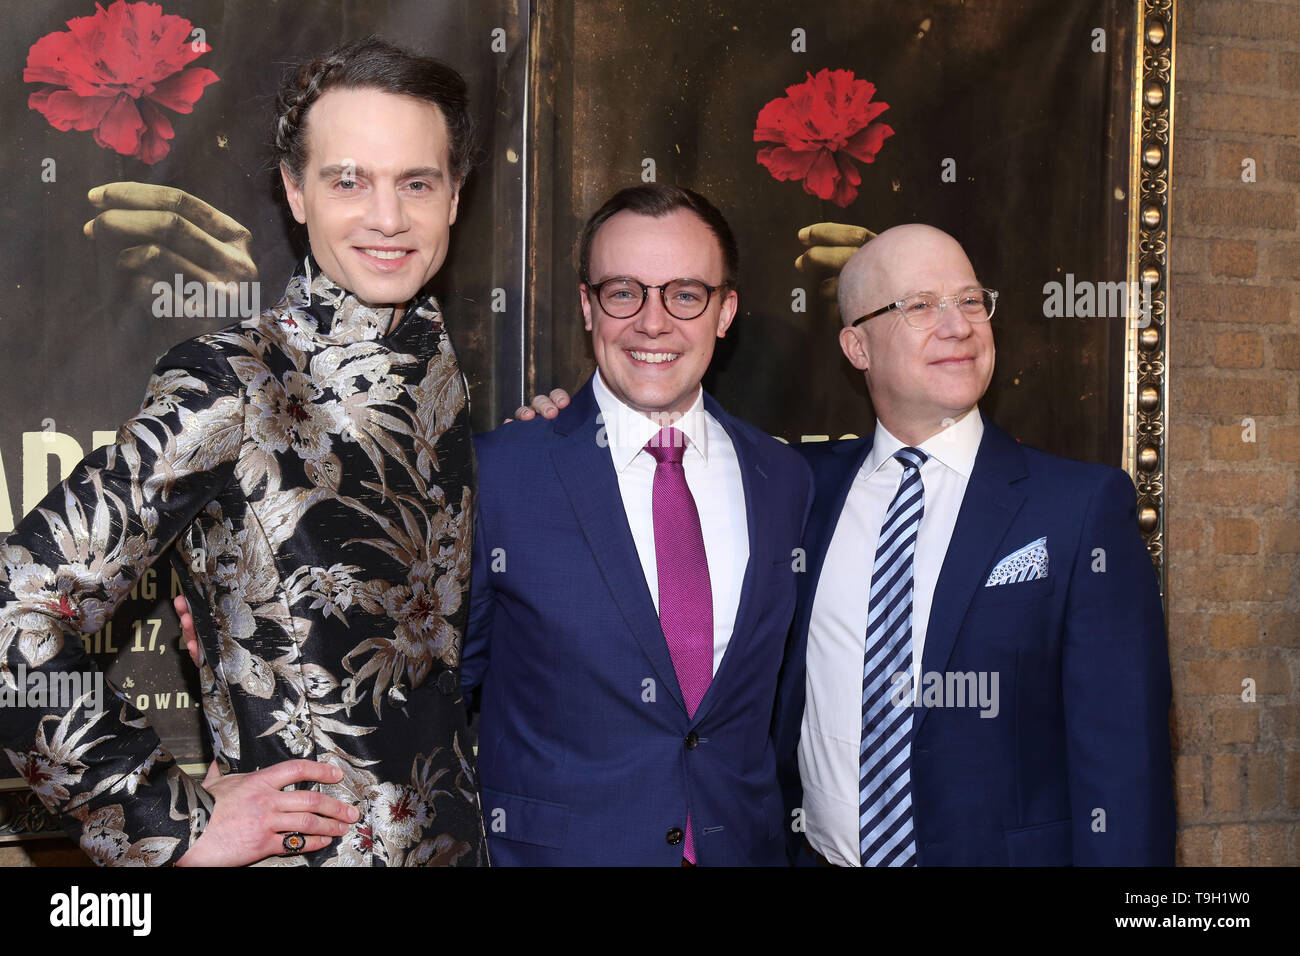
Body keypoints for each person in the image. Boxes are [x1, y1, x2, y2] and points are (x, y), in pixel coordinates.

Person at [0, 37, 486, 867]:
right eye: (348, 181)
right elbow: (15, 607)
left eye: (416, 181)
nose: (388, 217)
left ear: (452, 197)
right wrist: (165, 814)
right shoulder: (235, 381)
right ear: (296, 193)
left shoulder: (445, 379)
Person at [770, 223, 1175, 865]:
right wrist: (559, 419)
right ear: (857, 346)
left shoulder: (1080, 507)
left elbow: (1126, 763)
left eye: (970, 300)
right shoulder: (796, 493)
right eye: (920, 305)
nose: (959, 326)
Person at [463, 184, 811, 865]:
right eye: (625, 292)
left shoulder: (783, 478)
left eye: (685, 294)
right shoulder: (501, 475)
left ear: (725, 310)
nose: (653, 323)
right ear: (588, 306)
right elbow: (430, 686)